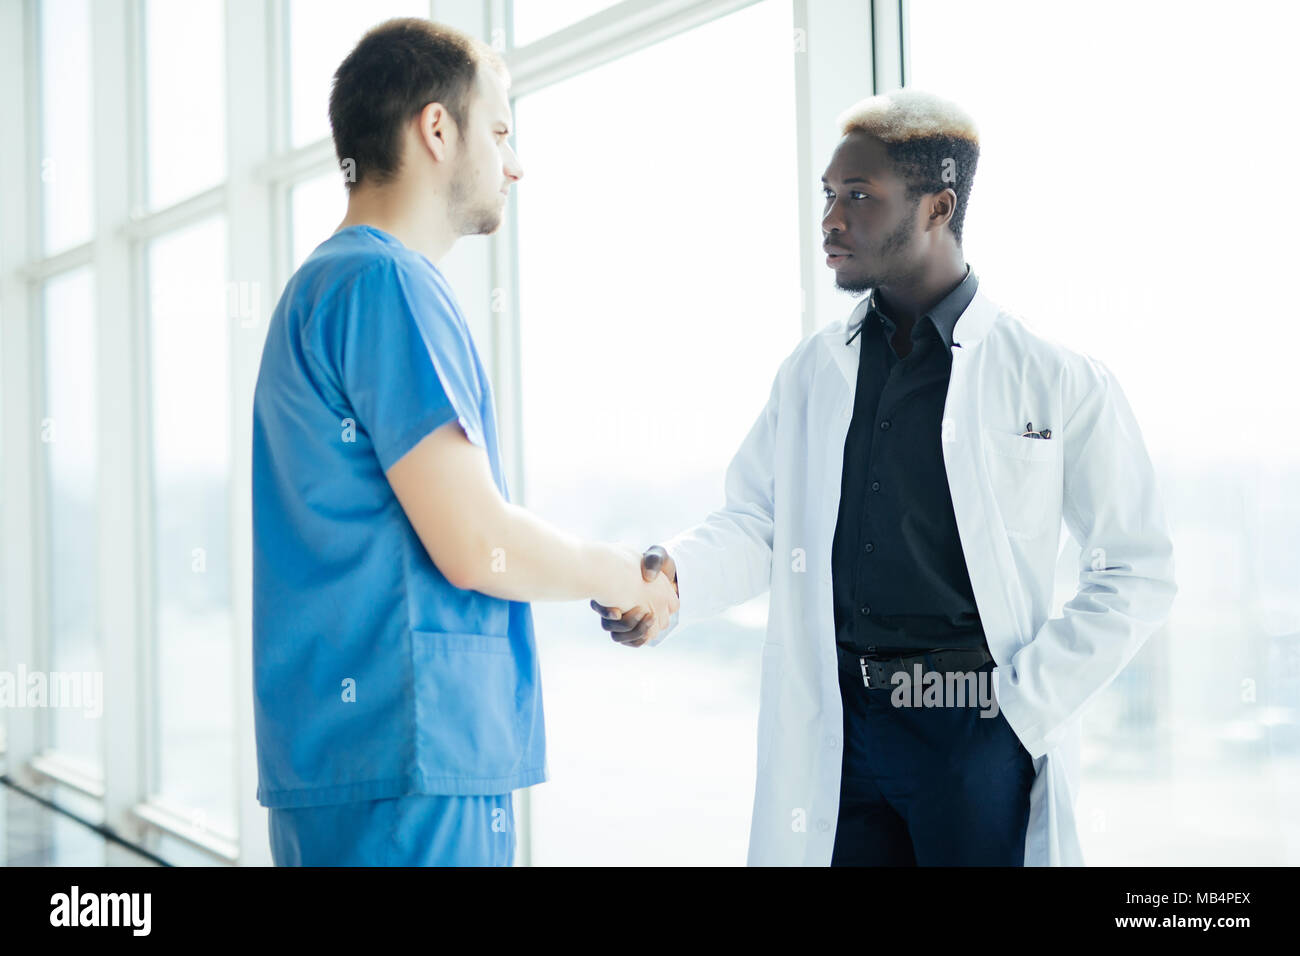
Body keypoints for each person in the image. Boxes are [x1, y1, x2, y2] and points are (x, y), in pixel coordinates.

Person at [595, 88, 1176, 866]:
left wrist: (1016, 712)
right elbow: (760, 522)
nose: (831, 219)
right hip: (837, 727)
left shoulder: (1055, 378)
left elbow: (1136, 569)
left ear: (937, 207)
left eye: (859, 197)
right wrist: (674, 579)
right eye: (828, 195)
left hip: (972, 729)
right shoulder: (812, 373)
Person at [251, 18, 677, 866]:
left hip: (355, 760)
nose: (515, 164)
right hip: (411, 763)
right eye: (501, 131)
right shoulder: (386, 283)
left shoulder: (324, 287)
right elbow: (479, 547)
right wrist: (628, 578)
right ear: (436, 129)